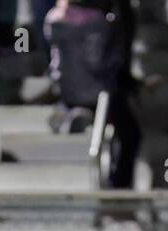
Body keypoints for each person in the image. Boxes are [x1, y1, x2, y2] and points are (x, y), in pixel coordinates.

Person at [44, 0, 139, 188]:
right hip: (100, 92)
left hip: (67, 89)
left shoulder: (53, 19)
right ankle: (119, 189)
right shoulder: (104, 25)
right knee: (131, 133)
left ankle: (67, 109)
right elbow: (101, 64)